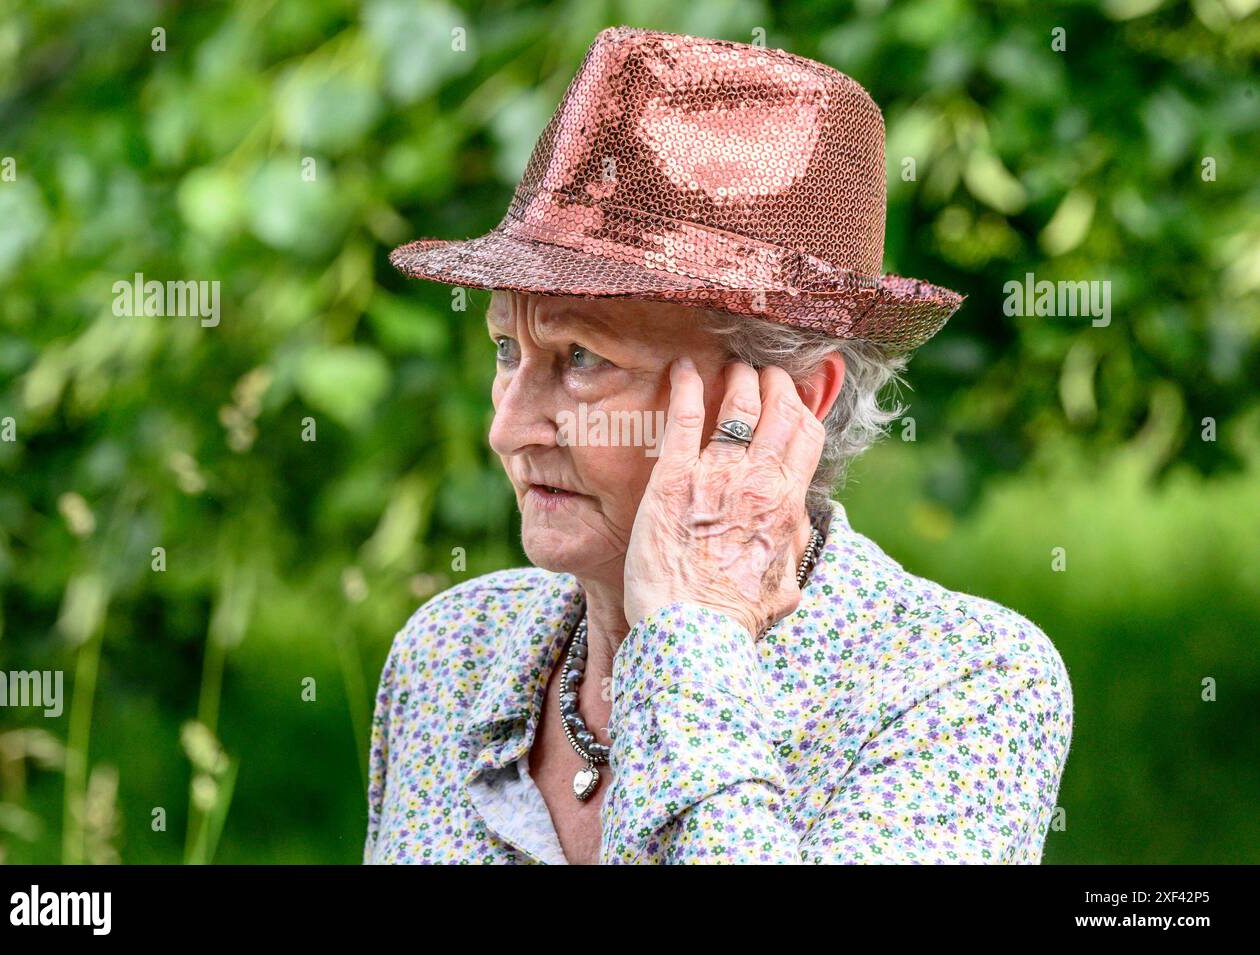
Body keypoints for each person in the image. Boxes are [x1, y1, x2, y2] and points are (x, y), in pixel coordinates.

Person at [364, 26, 1072, 865]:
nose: (508, 428)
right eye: (507, 349)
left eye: (583, 358)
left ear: (792, 398)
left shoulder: (962, 682)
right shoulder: (448, 653)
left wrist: (693, 638)